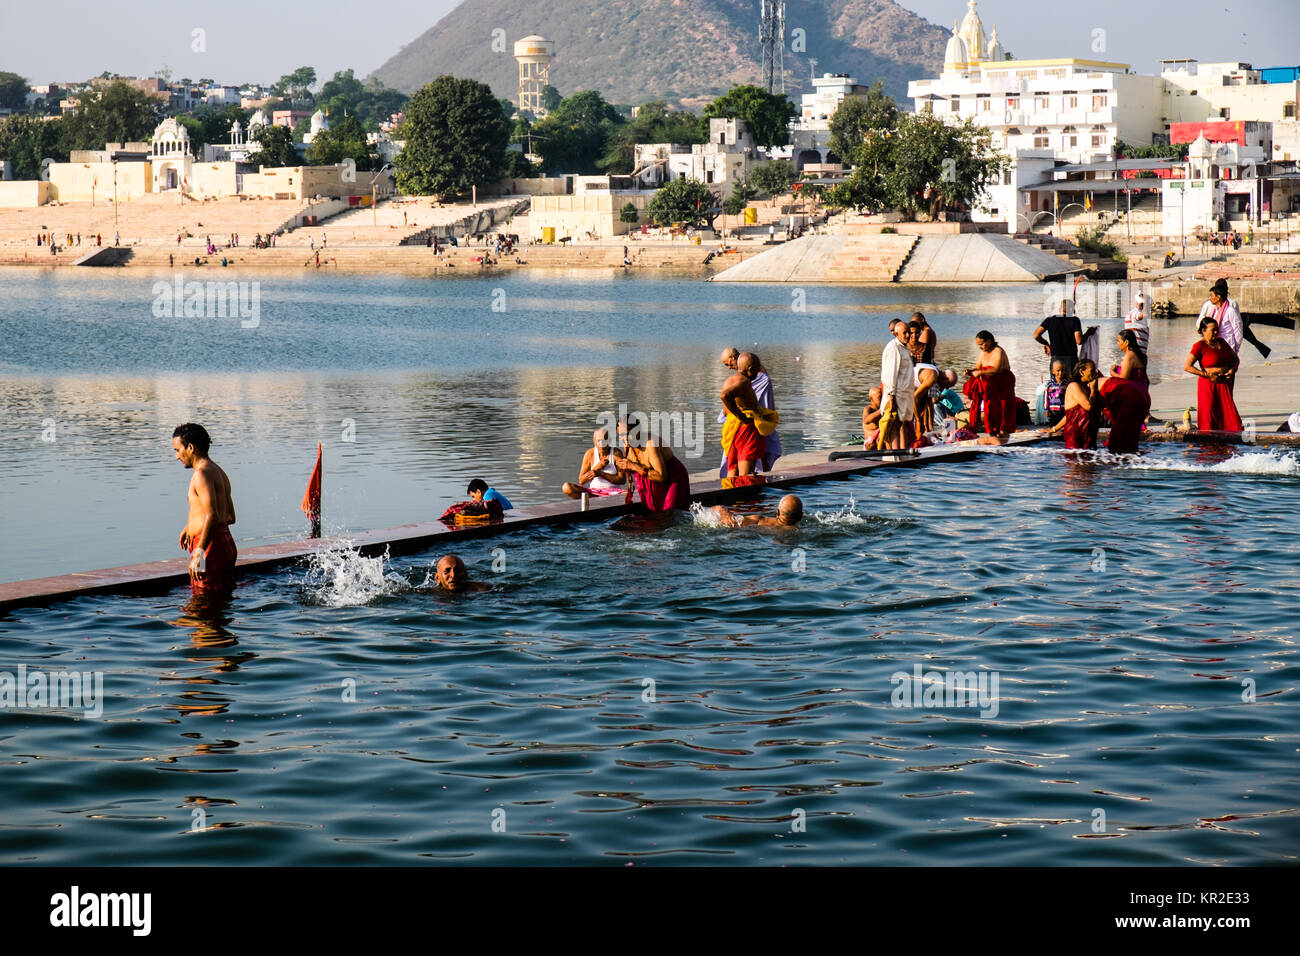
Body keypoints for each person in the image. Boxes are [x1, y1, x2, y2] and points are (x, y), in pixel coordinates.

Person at [172, 423, 237, 596]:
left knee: (204, 603)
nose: (176, 456)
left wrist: (199, 553)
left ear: (191, 448)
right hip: (224, 543)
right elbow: (229, 516)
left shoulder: (201, 475)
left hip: (210, 547)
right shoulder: (219, 472)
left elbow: (212, 514)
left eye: (178, 450)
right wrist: (190, 527)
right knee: (219, 600)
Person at [1184, 317, 1243, 431]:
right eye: (1213, 330)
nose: (1216, 333)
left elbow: (1235, 359)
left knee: (1230, 417)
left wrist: (1233, 369)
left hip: (1225, 384)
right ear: (1202, 331)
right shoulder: (1199, 346)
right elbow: (1187, 366)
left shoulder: (1222, 342)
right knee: (1209, 417)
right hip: (1208, 385)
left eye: (1217, 330)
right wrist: (1206, 374)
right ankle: (1208, 446)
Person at [615, 423, 691, 511]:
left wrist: (633, 466)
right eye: (621, 435)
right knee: (654, 514)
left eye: (628, 433)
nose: (625, 438)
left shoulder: (650, 443)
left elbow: (662, 476)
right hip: (651, 479)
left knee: (670, 512)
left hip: (673, 477)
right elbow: (635, 468)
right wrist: (623, 466)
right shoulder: (627, 444)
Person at [720, 353, 773, 476]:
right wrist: (741, 416)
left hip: (732, 428)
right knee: (746, 474)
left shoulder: (729, 380)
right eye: (756, 369)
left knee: (732, 470)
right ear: (750, 369)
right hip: (745, 430)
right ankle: (747, 492)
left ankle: (730, 492)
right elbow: (724, 396)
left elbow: (724, 411)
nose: (757, 373)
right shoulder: (744, 382)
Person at [964, 331, 1016, 440]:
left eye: (981, 344)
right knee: (988, 404)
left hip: (1002, 381)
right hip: (989, 383)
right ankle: (981, 427)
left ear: (989, 341)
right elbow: (978, 367)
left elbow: (997, 369)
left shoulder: (998, 351)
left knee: (1003, 406)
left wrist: (981, 373)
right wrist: (970, 371)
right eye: (978, 345)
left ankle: (1003, 429)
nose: (980, 347)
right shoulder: (983, 352)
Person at [1046, 360, 1101, 450]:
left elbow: (1069, 416)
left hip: (1089, 434)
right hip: (1076, 435)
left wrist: (1054, 429)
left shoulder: (1087, 388)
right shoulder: (1074, 386)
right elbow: (1088, 406)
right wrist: (1094, 390)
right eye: (1092, 370)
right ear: (1081, 372)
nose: (1095, 373)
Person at [879, 319, 915, 449]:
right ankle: (895, 455)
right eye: (904, 333)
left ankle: (902, 455)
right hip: (896, 395)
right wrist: (891, 397)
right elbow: (890, 375)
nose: (908, 336)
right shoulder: (893, 348)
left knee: (901, 424)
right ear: (896, 334)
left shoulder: (904, 348)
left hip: (904, 395)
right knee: (894, 425)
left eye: (908, 333)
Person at [562, 428, 627, 499]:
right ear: (594, 441)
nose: (602, 444)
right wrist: (597, 467)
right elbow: (581, 480)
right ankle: (594, 498)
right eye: (599, 441)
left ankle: (597, 499)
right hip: (593, 492)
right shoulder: (590, 453)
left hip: (613, 492)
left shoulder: (616, 453)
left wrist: (601, 474)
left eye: (605, 440)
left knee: (629, 494)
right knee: (567, 487)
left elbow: (622, 480)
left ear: (609, 441)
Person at [749, 352, 781, 471]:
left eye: (728, 363)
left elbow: (724, 396)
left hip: (757, 421)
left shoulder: (760, 379)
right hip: (754, 421)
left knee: (759, 453)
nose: (729, 367)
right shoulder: (740, 380)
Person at [1196, 278, 1244, 356]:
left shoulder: (1230, 310)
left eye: (1211, 296)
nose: (1209, 298)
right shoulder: (1214, 310)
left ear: (1218, 297)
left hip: (1228, 346)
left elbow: (1238, 330)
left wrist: (1236, 349)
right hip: (1215, 346)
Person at [1033, 300, 1083, 374]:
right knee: (1071, 383)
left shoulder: (1049, 320)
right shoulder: (1075, 320)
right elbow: (1079, 341)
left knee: (1056, 383)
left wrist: (1046, 343)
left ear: (1060, 309)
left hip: (1055, 358)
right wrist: (1088, 334)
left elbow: (1036, 335)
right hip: (1071, 358)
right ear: (1072, 309)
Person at [709, 494, 803, 529]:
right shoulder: (798, 531)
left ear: (777, 512)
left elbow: (730, 521)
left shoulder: (759, 521)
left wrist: (720, 508)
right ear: (801, 516)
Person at [1042, 359, 1068, 427]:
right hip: (1053, 409)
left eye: (1062, 370)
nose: (1060, 373)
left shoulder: (1066, 384)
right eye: (1058, 371)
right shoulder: (1049, 384)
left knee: (1062, 426)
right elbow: (1046, 397)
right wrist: (1046, 409)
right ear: (1053, 371)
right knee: (1053, 425)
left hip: (1063, 409)